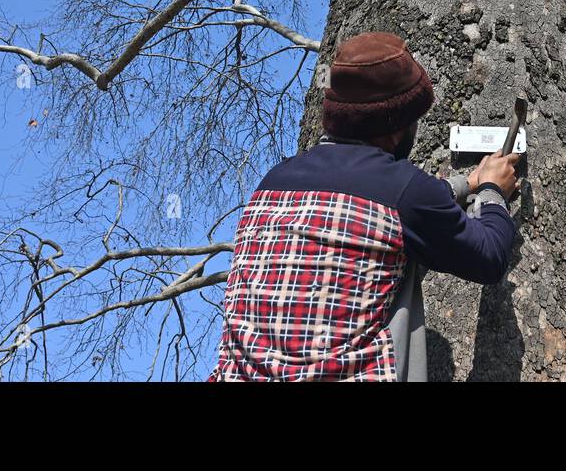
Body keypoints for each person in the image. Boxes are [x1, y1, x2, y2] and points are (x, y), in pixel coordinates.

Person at [209, 31, 520, 381]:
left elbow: (378, 210)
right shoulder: (405, 193)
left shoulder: (272, 182)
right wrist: (493, 190)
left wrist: (467, 184)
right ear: (397, 125)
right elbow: (489, 256)